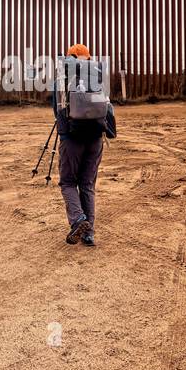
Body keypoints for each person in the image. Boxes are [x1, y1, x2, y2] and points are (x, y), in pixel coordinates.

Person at [53, 43, 116, 246]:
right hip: (96, 137)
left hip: (72, 138)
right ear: (88, 58)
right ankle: (89, 234)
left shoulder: (64, 75)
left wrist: (63, 133)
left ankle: (79, 219)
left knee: (68, 182)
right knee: (87, 184)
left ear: (69, 57)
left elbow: (58, 109)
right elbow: (107, 106)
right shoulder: (97, 75)